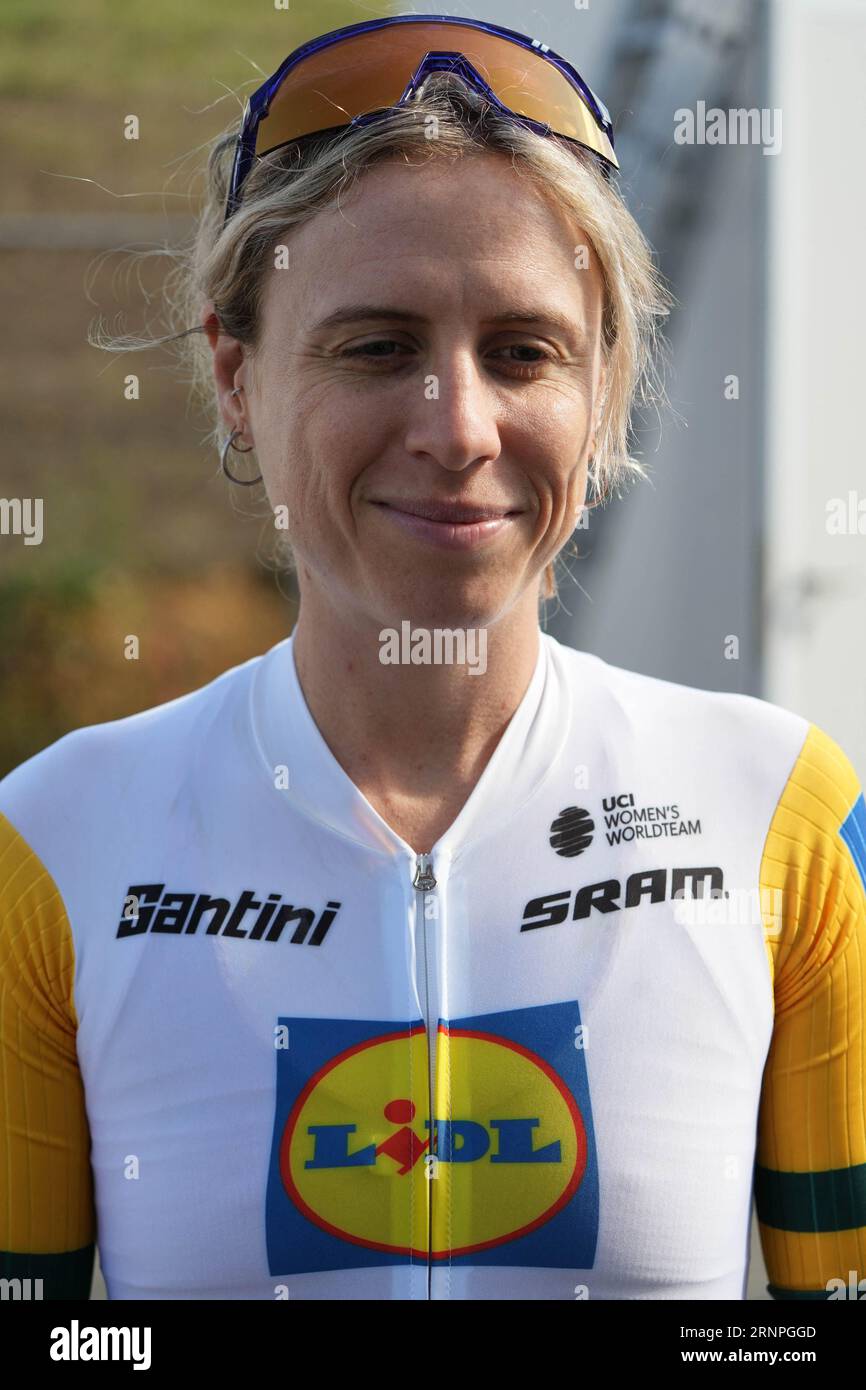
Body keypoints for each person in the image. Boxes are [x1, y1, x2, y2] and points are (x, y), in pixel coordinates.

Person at [1, 13, 864, 1302]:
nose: (457, 428)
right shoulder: (55, 847)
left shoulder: (782, 817)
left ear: (609, 386)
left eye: (525, 351)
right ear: (235, 375)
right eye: (376, 348)